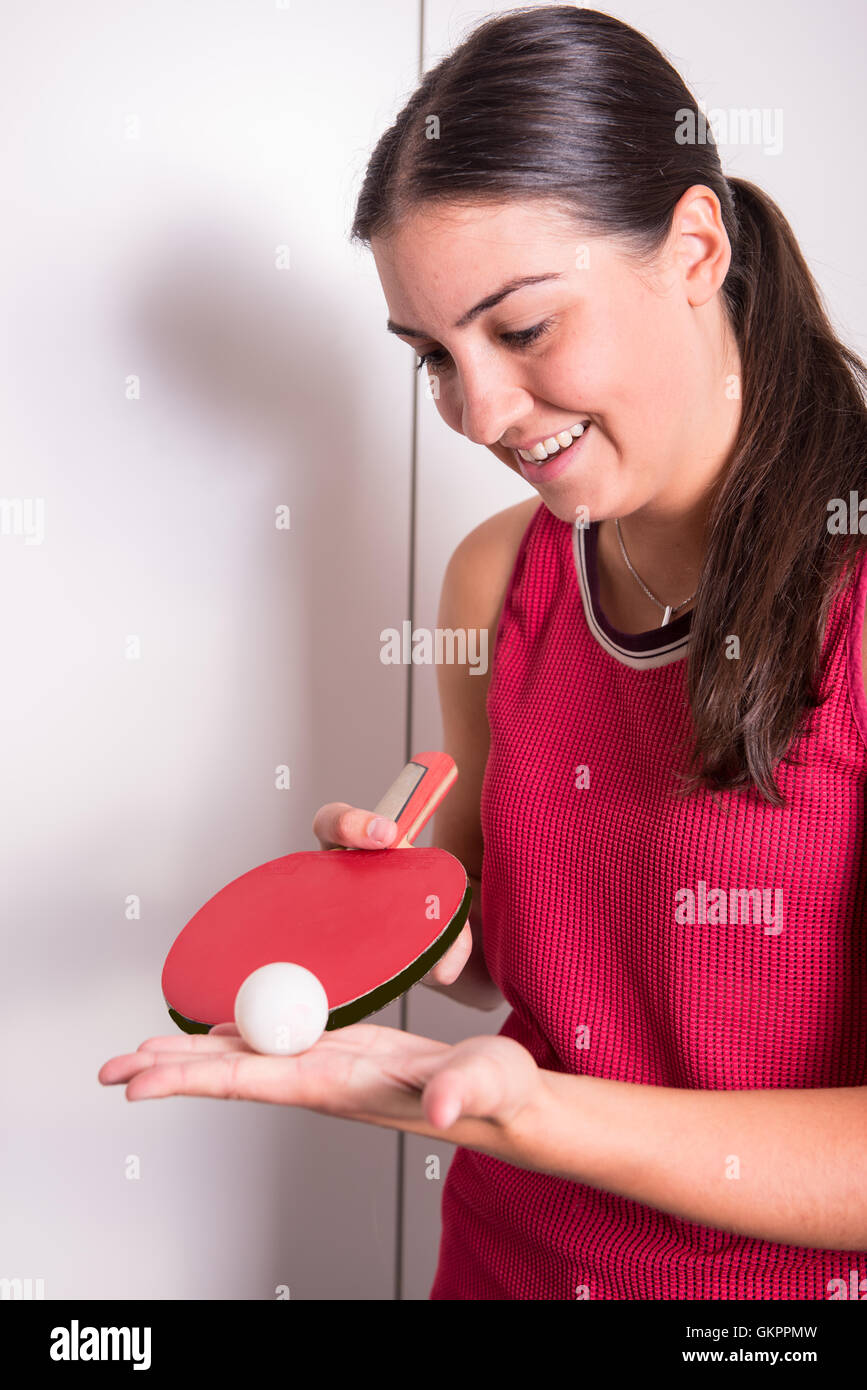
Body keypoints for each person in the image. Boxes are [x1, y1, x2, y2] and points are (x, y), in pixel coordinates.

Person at [100, 6, 867, 1300]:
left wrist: (530, 1113)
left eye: (520, 331)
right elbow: (532, 965)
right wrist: (422, 922)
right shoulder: (497, 575)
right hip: (504, 1271)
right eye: (432, 361)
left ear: (693, 244)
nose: (480, 414)